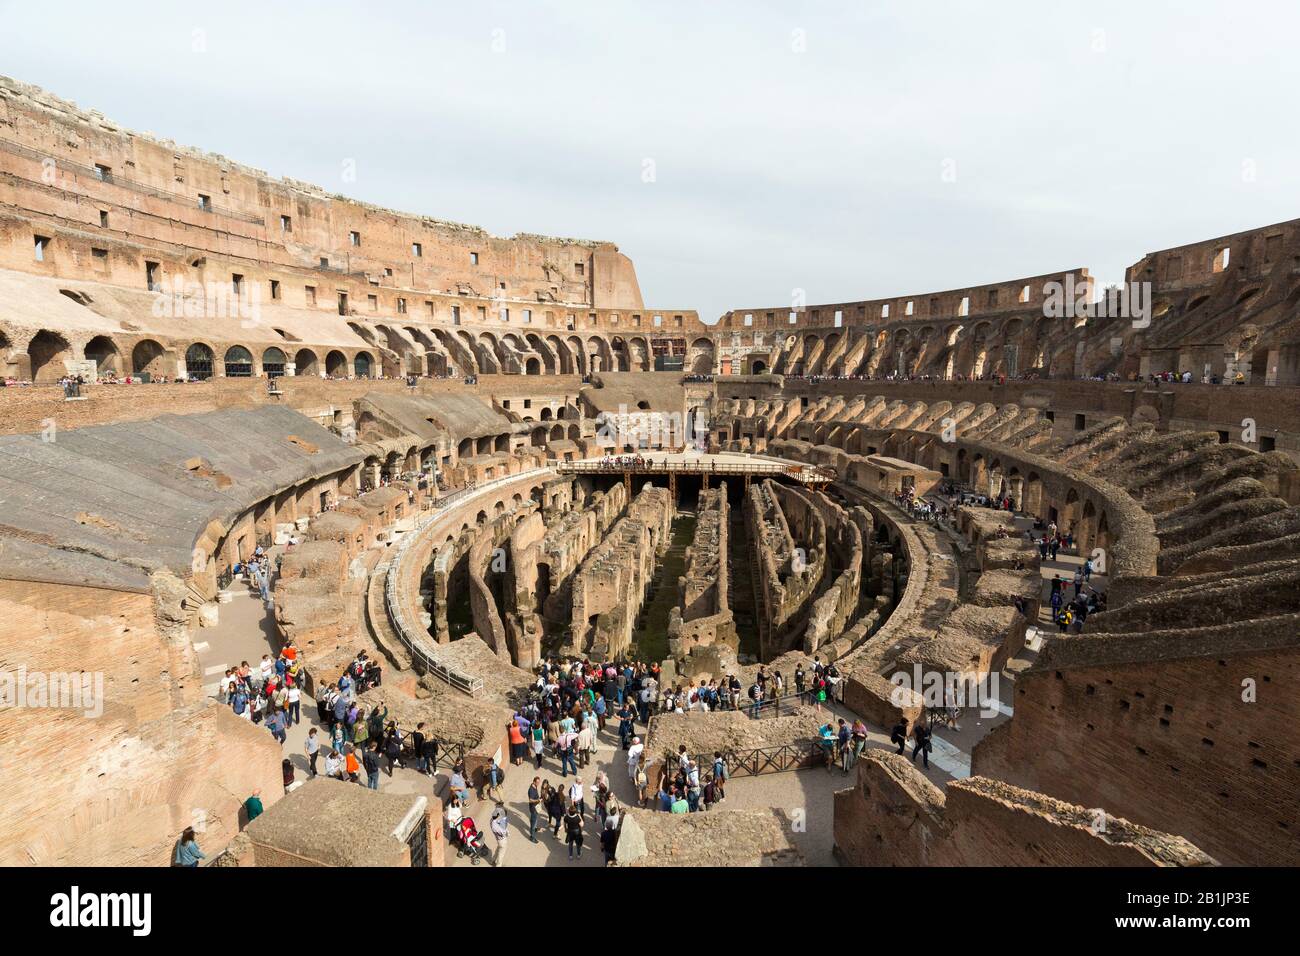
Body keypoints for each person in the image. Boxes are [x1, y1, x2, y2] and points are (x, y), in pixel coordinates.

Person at [527, 777, 542, 843]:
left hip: (536, 807)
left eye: (539, 782)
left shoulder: (535, 786)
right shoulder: (531, 790)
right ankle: (532, 837)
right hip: (533, 808)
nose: (538, 783)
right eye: (537, 782)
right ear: (533, 782)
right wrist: (538, 800)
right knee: (533, 821)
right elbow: (530, 800)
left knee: (534, 819)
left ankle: (535, 828)